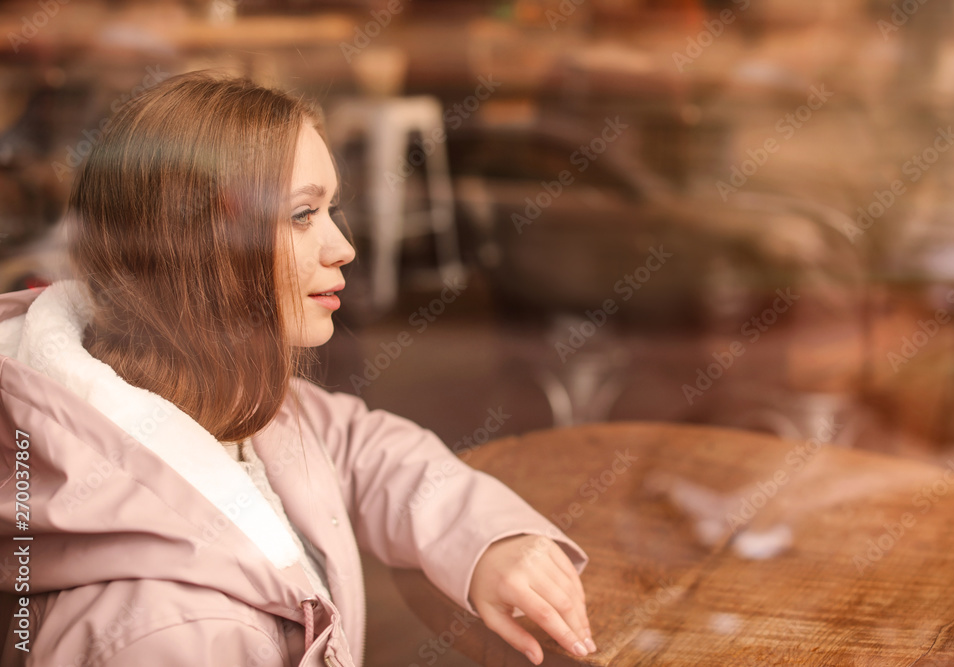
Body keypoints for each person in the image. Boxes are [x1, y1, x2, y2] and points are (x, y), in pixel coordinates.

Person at [0, 71, 595, 666]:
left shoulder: (215, 400)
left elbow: (362, 446)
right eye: (302, 214)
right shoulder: (163, 637)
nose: (343, 248)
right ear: (196, 248)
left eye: (330, 209)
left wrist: (487, 539)